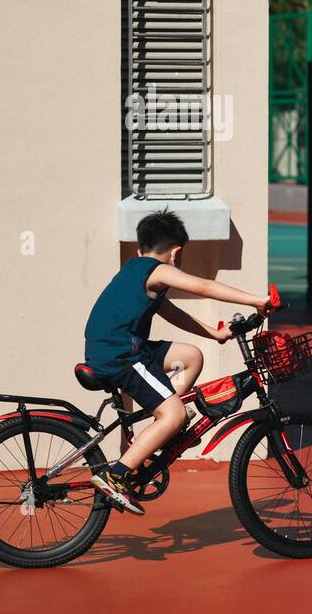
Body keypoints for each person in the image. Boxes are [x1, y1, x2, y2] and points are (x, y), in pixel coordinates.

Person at [84, 208, 271, 515]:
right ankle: (115, 474)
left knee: (191, 356)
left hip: (121, 349)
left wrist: (214, 334)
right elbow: (204, 286)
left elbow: (172, 313)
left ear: (139, 247)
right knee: (174, 415)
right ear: (176, 253)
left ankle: (164, 425)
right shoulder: (157, 270)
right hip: (121, 356)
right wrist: (256, 300)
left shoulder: (135, 269)